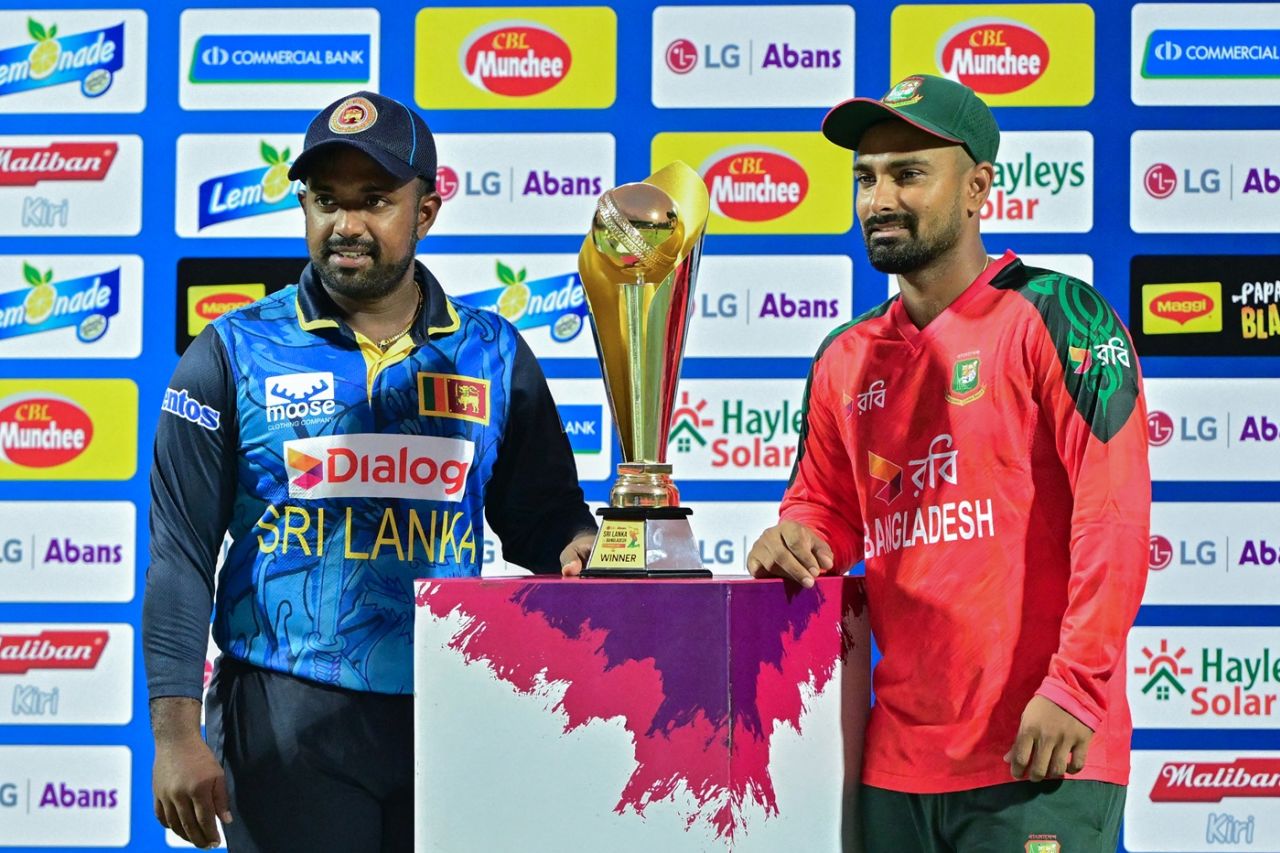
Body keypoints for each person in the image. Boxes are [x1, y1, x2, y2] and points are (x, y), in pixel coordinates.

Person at [143, 90, 597, 852]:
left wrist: (586, 551)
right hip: (285, 712)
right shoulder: (227, 352)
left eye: (375, 201)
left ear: (426, 213)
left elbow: (544, 516)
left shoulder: (493, 351)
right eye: (325, 200)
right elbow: (181, 554)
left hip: (454, 709)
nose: (345, 225)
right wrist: (175, 730)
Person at [746, 74, 1149, 852]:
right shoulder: (844, 357)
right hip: (894, 766)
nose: (878, 198)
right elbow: (826, 512)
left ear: (978, 189)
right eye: (864, 177)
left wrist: (1076, 687)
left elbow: (1115, 518)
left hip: (1041, 749)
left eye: (909, 172)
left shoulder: (1061, 317)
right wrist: (794, 537)